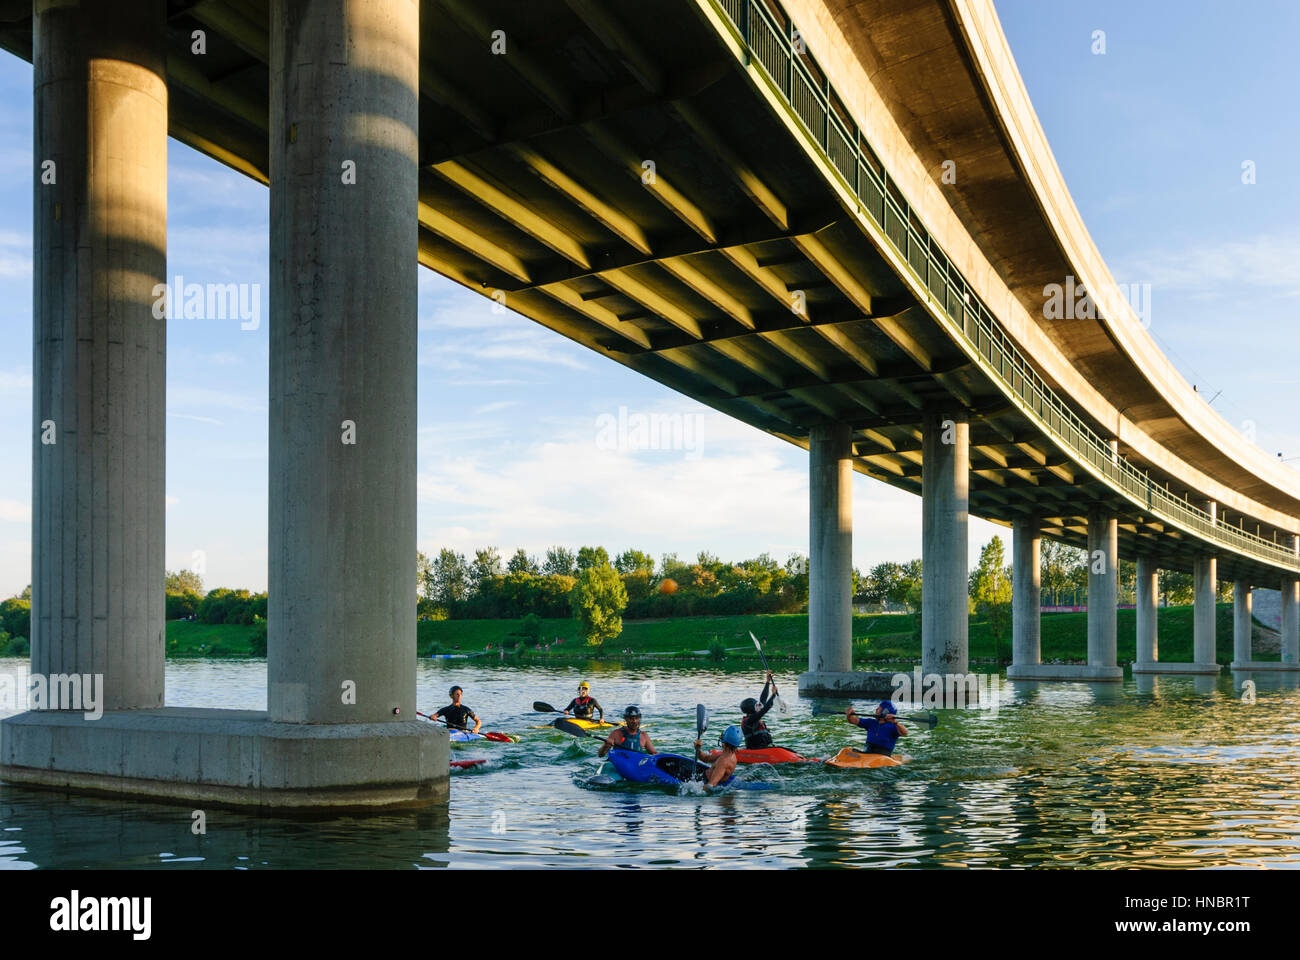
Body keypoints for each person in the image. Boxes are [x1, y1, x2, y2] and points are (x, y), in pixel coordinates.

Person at [740, 670, 777, 749]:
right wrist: (773, 695)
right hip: (755, 748)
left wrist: (767, 682)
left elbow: (763, 699)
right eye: (756, 705)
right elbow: (766, 708)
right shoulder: (749, 721)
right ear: (751, 709)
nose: (759, 705)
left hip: (763, 746)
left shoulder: (754, 714)